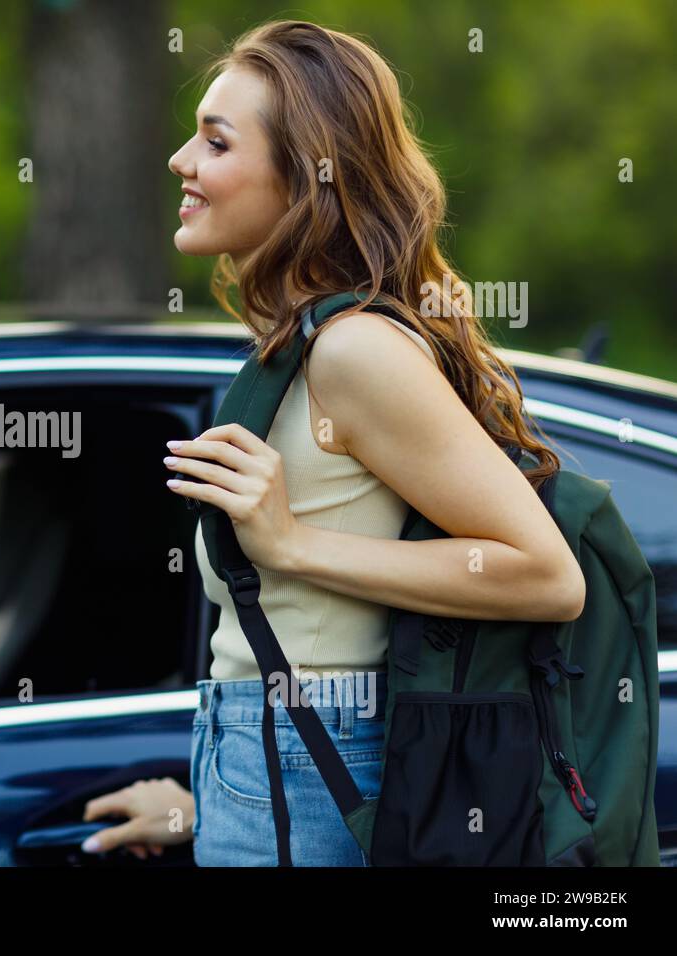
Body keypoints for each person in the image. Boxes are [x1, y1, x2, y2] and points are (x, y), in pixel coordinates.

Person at [79, 19, 584, 866]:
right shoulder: (302, 345)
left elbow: (546, 574)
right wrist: (209, 792)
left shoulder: (356, 351)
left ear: (304, 177)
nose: (180, 160)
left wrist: (293, 543)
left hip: (301, 759)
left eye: (214, 141)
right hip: (269, 756)